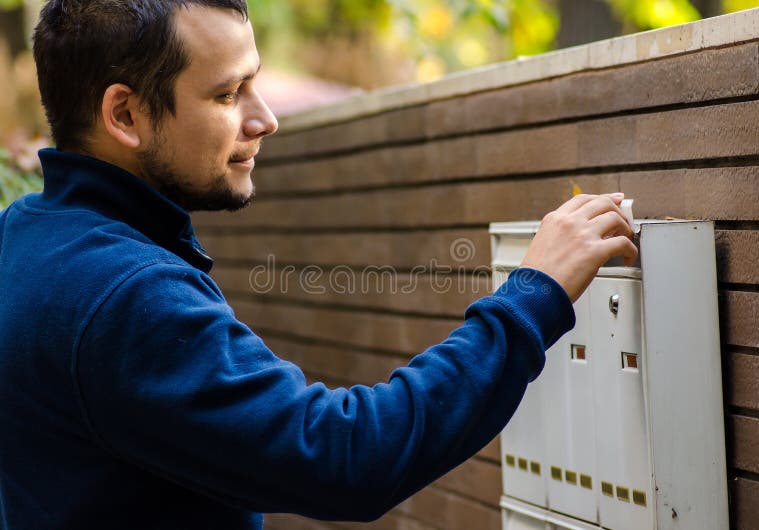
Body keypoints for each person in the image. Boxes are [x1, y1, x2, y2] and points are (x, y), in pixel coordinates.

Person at [0, 1, 637, 528]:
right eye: (227, 94)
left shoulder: (23, 235)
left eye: (254, 83)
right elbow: (345, 456)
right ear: (125, 114)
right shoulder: (125, 297)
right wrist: (536, 292)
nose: (265, 118)